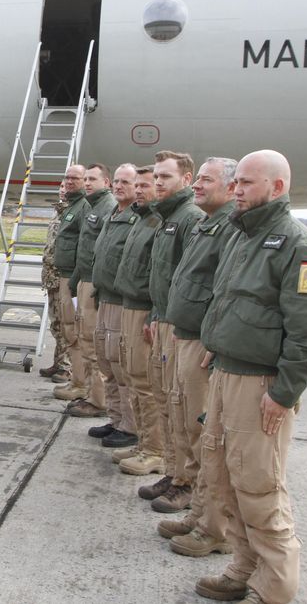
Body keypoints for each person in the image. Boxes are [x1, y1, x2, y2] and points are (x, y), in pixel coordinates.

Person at [194, 150, 307, 604]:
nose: (236, 190)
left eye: (246, 183)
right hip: (226, 372)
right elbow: (229, 298)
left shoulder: (299, 245)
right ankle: (243, 565)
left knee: (258, 485)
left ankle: (274, 588)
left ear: (277, 188)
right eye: (235, 184)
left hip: (261, 385)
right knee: (223, 474)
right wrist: (214, 343)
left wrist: (284, 392)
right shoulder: (242, 234)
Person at [158, 157, 238, 556]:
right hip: (185, 334)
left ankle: (214, 527)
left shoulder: (229, 227)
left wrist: (212, 337)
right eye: (199, 179)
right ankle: (199, 513)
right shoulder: (209, 224)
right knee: (188, 424)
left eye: (206, 180)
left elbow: (225, 289)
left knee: (205, 434)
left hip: (202, 344)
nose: (198, 186)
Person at [138, 151, 204, 505]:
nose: (159, 182)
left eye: (166, 177)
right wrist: (153, 314)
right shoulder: (168, 217)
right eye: (157, 177)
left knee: (181, 408)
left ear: (186, 179)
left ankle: (188, 484)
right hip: (163, 321)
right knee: (165, 400)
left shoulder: (189, 218)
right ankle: (174, 472)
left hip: (178, 327)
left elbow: (190, 279)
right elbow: (162, 276)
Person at [111, 164, 161, 476]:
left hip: (145, 310)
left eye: (145, 185)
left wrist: (155, 313)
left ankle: (155, 450)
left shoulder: (160, 222)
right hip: (129, 304)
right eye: (138, 185)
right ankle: (145, 442)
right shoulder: (143, 219)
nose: (140, 190)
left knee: (145, 383)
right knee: (132, 377)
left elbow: (164, 275)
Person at [88, 164, 140, 449]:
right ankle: (115, 418)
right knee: (106, 363)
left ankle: (129, 426)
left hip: (121, 302)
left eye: (126, 182)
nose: (119, 186)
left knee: (121, 367)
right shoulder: (114, 214)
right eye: (116, 182)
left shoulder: (138, 217)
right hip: (105, 297)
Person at [62, 163, 114, 420]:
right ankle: (91, 394)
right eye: (87, 179)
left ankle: (98, 400)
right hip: (84, 280)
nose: (88, 183)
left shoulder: (107, 207)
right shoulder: (95, 206)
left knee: (94, 345)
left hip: (94, 283)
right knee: (85, 340)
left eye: (93, 179)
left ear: (107, 182)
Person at [48, 164, 91, 395]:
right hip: (62, 277)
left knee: (75, 332)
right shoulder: (72, 206)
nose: (70, 182)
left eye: (75, 178)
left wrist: (74, 282)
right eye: (67, 178)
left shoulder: (83, 207)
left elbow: (84, 246)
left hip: (72, 280)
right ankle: (77, 380)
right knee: (67, 330)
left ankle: (80, 383)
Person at [39, 165, 84, 382]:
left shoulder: (74, 212)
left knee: (66, 325)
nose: (63, 189)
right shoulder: (60, 212)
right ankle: (59, 362)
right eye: (61, 185)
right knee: (56, 324)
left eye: (67, 185)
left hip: (62, 278)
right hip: (51, 278)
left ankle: (67, 368)